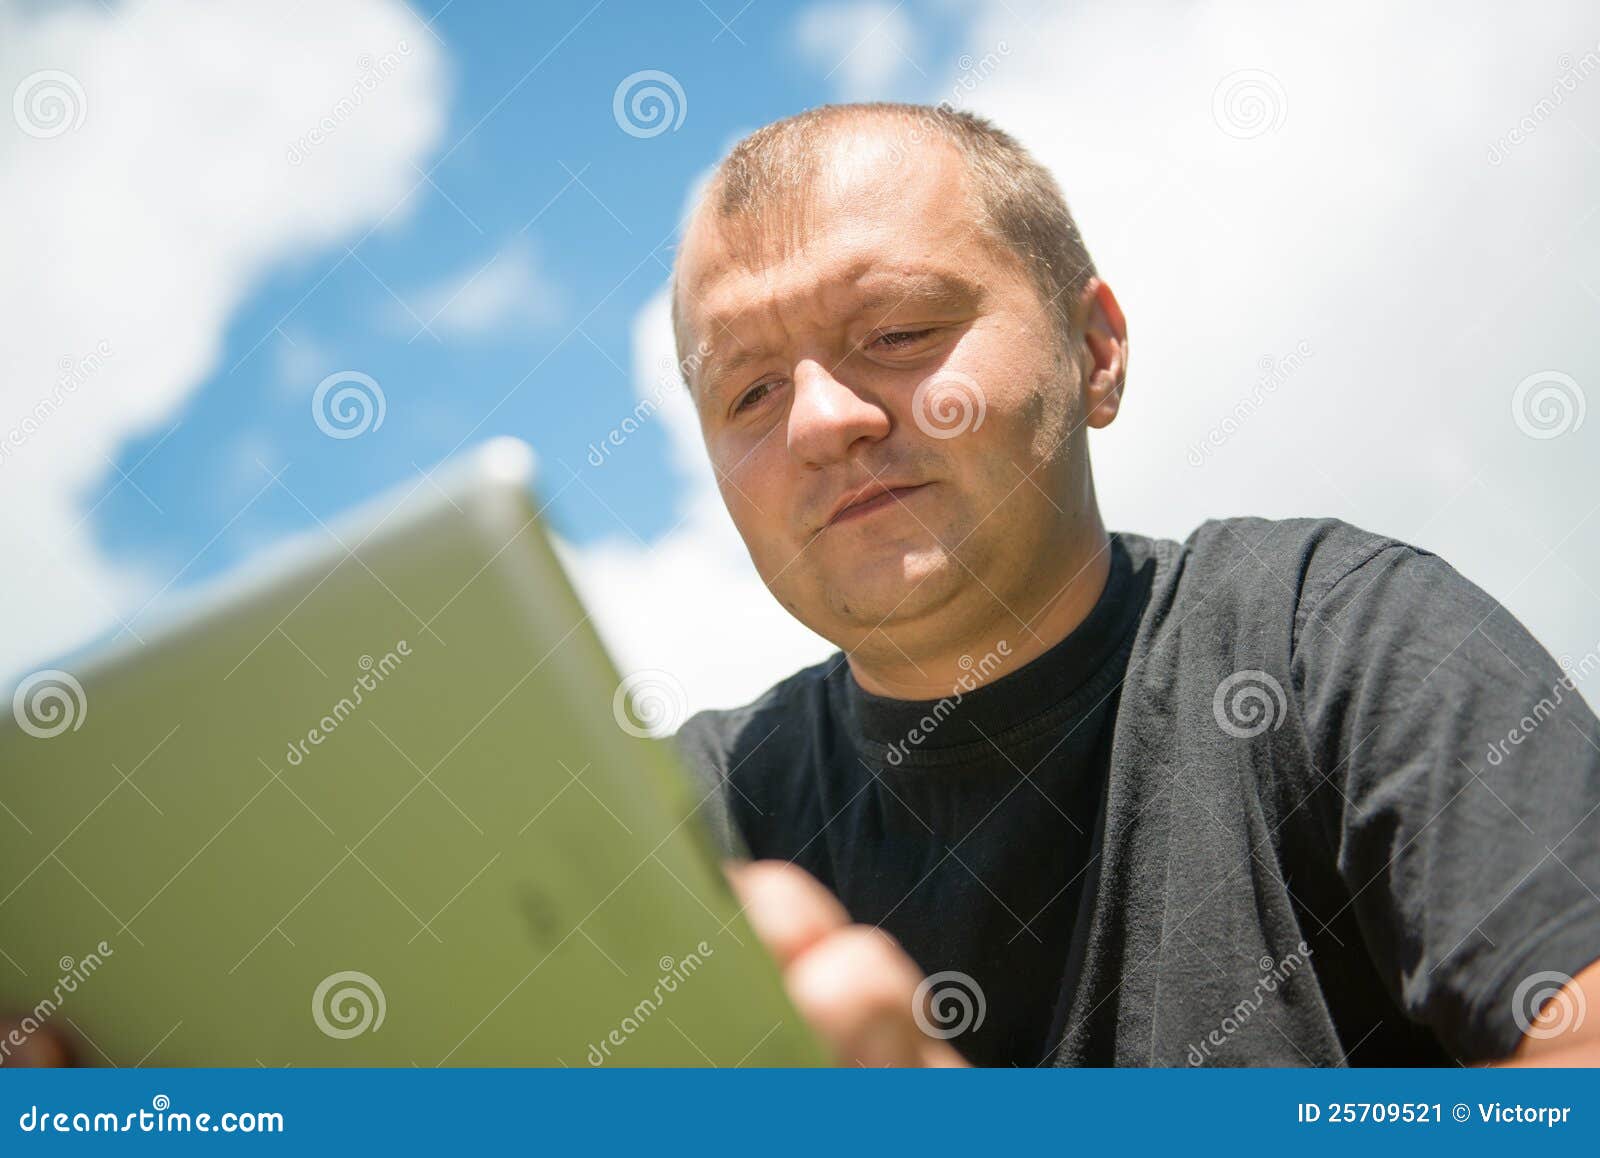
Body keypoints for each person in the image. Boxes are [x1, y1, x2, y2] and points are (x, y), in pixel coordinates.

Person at [671, 102, 1600, 1067]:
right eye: (751, 392)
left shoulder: (1339, 637)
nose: (822, 420)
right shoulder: (690, 816)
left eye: (900, 331)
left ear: (1096, 351)